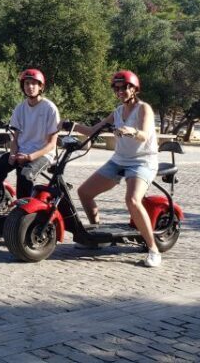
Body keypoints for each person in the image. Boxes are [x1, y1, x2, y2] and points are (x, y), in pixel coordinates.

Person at [71, 70, 162, 268]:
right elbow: (93, 130)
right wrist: (72, 125)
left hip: (142, 160)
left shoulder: (143, 108)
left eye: (124, 87)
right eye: (116, 88)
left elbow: (145, 135)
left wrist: (132, 131)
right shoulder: (118, 111)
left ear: (134, 89)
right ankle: (96, 238)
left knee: (132, 200)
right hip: (119, 160)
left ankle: (153, 249)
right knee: (84, 192)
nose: (120, 91)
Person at [0, 68, 60, 207]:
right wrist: (12, 153)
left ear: (41, 86)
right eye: (27, 83)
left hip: (43, 154)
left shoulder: (49, 108)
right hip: (20, 151)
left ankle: (23, 215)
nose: (30, 87)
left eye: (34, 83)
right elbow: (15, 139)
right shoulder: (20, 109)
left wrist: (29, 157)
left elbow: (52, 144)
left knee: (25, 174)